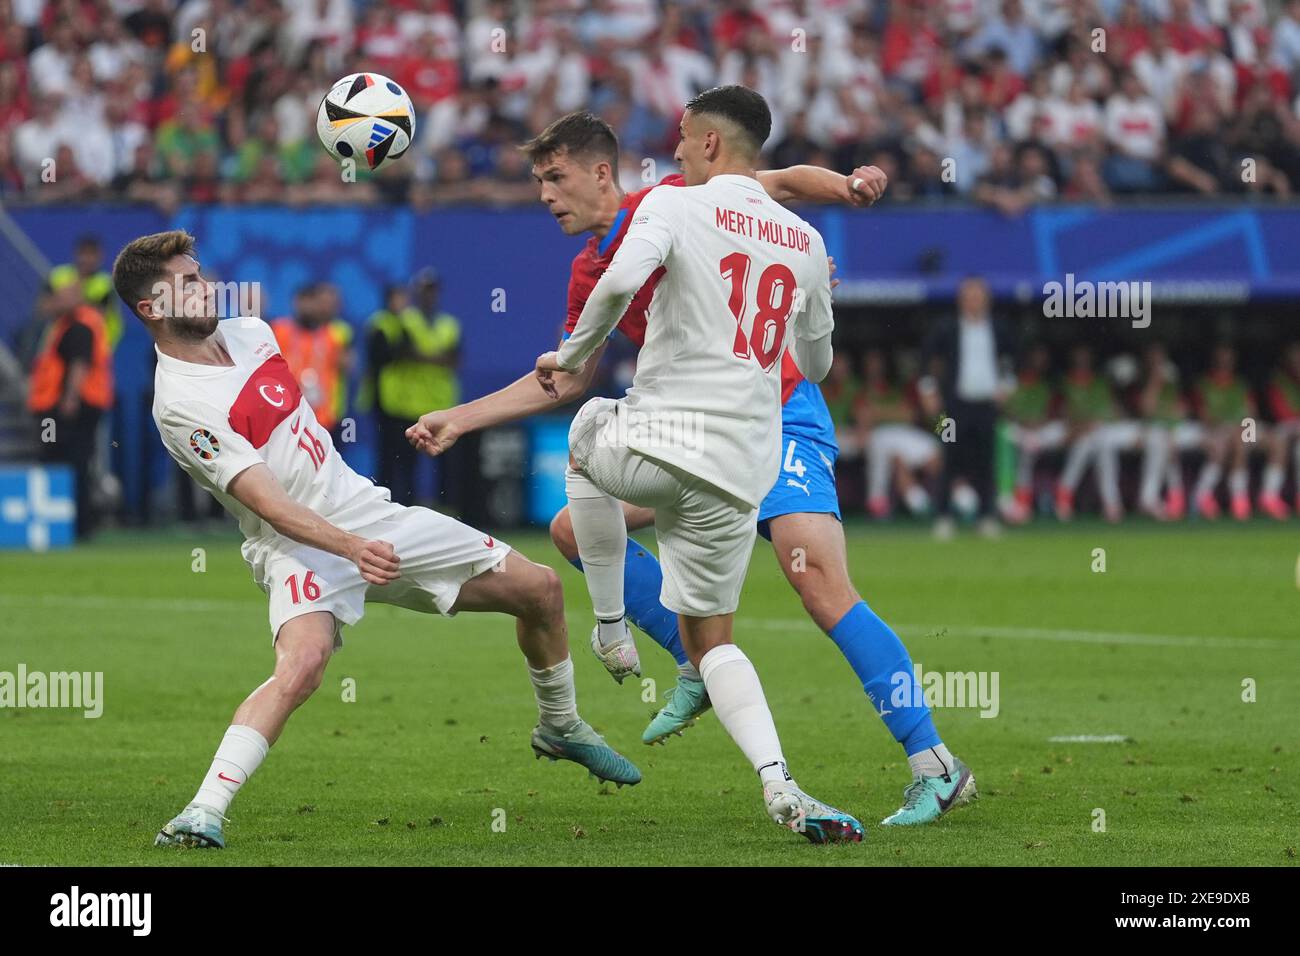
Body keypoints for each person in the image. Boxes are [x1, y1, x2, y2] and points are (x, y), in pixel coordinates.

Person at [411, 107, 972, 829]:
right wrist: (461, 416)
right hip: (698, 436)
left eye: (556, 178)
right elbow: (567, 374)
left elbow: (779, 182)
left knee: (820, 585)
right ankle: (695, 656)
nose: (546, 195)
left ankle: (936, 764)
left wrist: (848, 185)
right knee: (574, 529)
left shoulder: (675, 200)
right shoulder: (590, 269)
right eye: (539, 181)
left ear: (600, 172)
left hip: (780, 416)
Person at [110, 230, 638, 850]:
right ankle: (202, 812)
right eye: (190, 283)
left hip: (369, 515)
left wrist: (359, 534)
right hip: (296, 545)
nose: (208, 288)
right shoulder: (181, 405)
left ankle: (560, 725)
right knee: (302, 665)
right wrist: (346, 548)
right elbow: (270, 504)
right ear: (151, 308)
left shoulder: (253, 333)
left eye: (203, 274)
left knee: (541, 589)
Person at [538, 85, 864, 843]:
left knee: (587, 431)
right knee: (712, 643)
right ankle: (781, 787)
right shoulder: (807, 244)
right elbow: (815, 364)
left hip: (664, 437)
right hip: (743, 466)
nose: (674, 152)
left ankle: (612, 628)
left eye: (682, 139)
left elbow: (620, 282)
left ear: (708, 143)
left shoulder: (673, 206)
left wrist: (573, 354)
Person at [920, 276, 1014, 538]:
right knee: (948, 457)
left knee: (986, 460)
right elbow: (927, 359)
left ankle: (987, 516)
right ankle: (943, 517)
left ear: (987, 298)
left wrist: (1007, 385)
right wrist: (928, 390)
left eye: (978, 295)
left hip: (987, 405)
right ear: (961, 299)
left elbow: (1011, 359)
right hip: (951, 407)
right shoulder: (946, 327)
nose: (973, 300)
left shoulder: (999, 327)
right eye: (969, 295)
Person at [26, 274, 114, 540]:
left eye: (63, 296)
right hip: (64, 407)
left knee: (60, 458)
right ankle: (71, 523)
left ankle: (74, 525)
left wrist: (70, 398)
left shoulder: (78, 326)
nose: (57, 300)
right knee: (68, 460)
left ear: (77, 298)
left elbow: (79, 364)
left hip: (65, 409)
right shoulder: (68, 324)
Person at [365, 269, 460, 506]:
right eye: (424, 290)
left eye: (432, 290)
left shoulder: (448, 324)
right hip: (402, 404)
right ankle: (398, 509)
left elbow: (454, 359)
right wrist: (434, 357)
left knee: (443, 466)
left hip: (439, 403)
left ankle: (443, 512)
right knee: (400, 463)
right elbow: (400, 353)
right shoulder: (399, 320)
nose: (429, 295)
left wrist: (421, 356)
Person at [271, 282, 354, 444]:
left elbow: (348, 365)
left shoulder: (334, 334)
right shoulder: (280, 330)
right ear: (296, 302)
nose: (309, 308)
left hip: (324, 416)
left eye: (313, 302)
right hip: (286, 415)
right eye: (305, 302)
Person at [1191, 343, 1256, 521]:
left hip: (1242, 429)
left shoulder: (1240, 384)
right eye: (1221, 358)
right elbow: (1203, 415)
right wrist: (1225, 426)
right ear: (1214, 360)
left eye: (1228, 358)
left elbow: (1251, 413)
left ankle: (1241, 499)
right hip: (1212, 431)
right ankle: (1202, 496)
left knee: (1249, 439)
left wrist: (1242, 426)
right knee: (1222, 444)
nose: (1225, 362)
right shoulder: (1204, 383)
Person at [49, 234, 124, 351]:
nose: (86, 259)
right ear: (76, 254)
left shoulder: (105, 284)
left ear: (99, 257)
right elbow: (43, 307)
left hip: (96, 344)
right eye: (83, 254)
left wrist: (73, 300)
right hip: (60, 341)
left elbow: (99, 314)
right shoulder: (58, 275)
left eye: (91, 255)